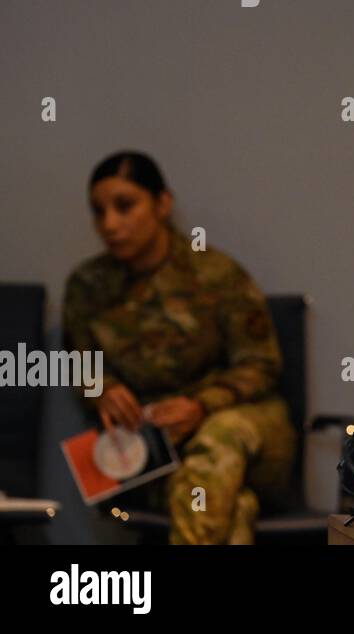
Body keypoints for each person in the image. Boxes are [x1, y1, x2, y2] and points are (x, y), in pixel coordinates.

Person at [61, 151, 296, 544]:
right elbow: (78, 363)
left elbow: (261, 364)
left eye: (124, 206)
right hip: (157, 447)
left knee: (217, 439)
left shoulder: (214, 274)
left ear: (162, 203)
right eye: (99, 212)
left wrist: (200, 405)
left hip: (241, 425)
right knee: (230, 506)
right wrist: (102, 388)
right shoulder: (88, 286)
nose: (110, 224)